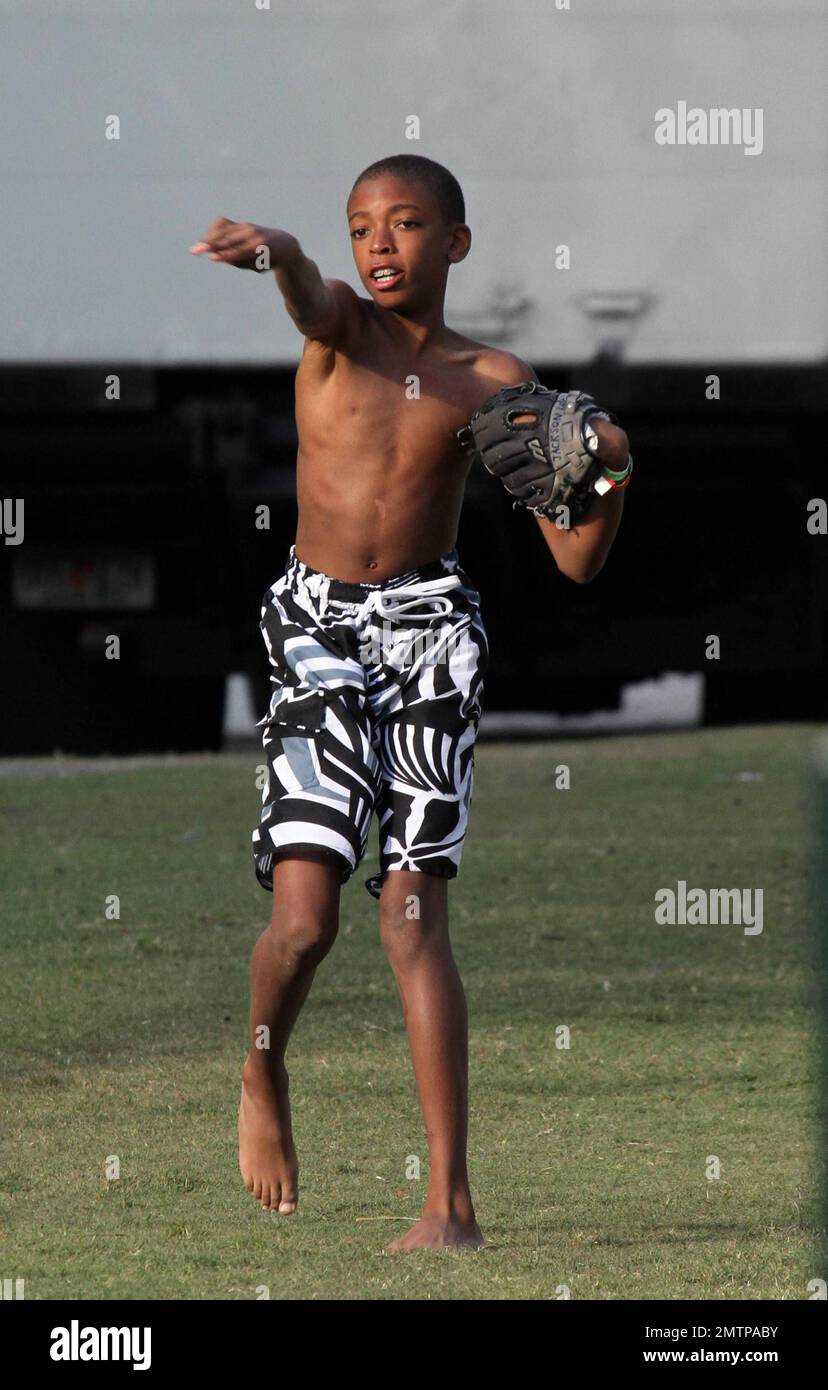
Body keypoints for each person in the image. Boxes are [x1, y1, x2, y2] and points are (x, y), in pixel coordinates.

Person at [191, 153, 629, 1250]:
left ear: (457, 244)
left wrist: (611, 470)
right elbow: (306, 289)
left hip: (432, 631)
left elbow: (574, 562)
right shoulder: (337, 332)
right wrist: (278, 252)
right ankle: (260, 1070)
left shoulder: (495, 378)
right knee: (303, 922)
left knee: (414, 914)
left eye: (407, 224)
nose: (380, 243)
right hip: (320, 628)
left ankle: (450, 1205)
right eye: (360, 227)